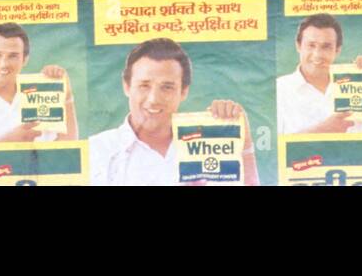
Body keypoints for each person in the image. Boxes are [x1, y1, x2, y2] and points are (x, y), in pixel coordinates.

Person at [89, 38, 258, 186]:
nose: (154, 99)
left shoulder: (210, 145)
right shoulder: (97, 151)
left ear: (184, 91)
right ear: (126, 86)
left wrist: (243, 143)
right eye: (144, 85)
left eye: (167, 87)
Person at [276, 13, 362, 136]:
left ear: (337, 50)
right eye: (311, 45)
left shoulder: (355, 84)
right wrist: (325, 129)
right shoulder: (279, 89)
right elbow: (275, 149)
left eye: (326, 47)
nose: (317, 54)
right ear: (298, 46)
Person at [0, 22, 78, 144]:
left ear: (24, 59)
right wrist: (8, 141)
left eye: (13, 56)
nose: (3, 64)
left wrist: (66, 95)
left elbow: (67, 146)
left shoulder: (42, 94)